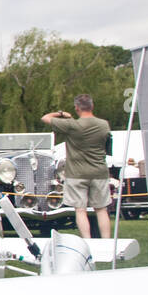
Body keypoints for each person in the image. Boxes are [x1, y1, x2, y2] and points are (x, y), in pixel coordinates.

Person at [42, 94, 110, 239]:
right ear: (92, 106)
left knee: (80, 210)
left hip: (76, 173)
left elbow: (45, 118)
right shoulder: (104, 124)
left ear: (77, 108)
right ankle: (107, 242)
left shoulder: (72, 125)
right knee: (101, 209)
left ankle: (87, 240)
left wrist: (61, 114)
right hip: (99, 172)